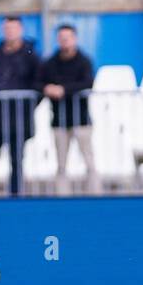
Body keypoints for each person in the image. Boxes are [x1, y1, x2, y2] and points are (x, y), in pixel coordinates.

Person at [39, 24, 99, 196]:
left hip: (81, 119)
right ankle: (62, 196)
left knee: (89, 160)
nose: (64, 41)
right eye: (61, 38)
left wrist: (63, 90)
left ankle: (96, 195)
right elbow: (39, 82)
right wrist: (47, 88)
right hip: (59, 119)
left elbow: (87, 82)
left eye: (68, 37)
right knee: (61, 163)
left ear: (75, 39)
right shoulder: (50, 63)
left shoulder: (84, 61)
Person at [0, 17, 39, 196]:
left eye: (13, 28)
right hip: (0, 115)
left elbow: (37, 84)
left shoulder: (31, 54)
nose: (9, 32)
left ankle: (16, 194)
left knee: (17, 158)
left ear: (20, 29)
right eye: (6, 28)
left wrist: (27, 105)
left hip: (21, 116)